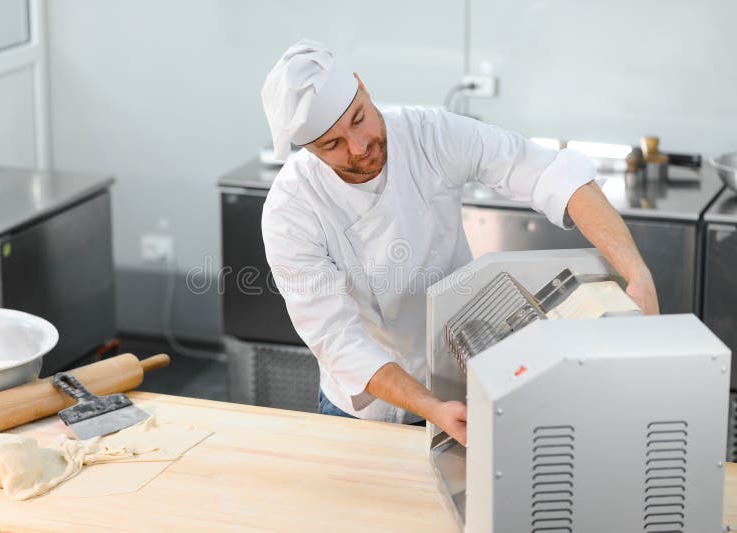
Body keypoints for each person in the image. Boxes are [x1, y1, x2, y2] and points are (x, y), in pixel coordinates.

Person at [260, 39, 659, 445]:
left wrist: (635, 271)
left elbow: (548, 175)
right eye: (333, 144)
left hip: (459, 377)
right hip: (364, 412)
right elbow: (337, 339)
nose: (358, 147)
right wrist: (432, 409)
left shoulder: (429, 136)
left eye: (359, 119)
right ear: (307, 149)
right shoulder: (290, 210)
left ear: (362, 86)